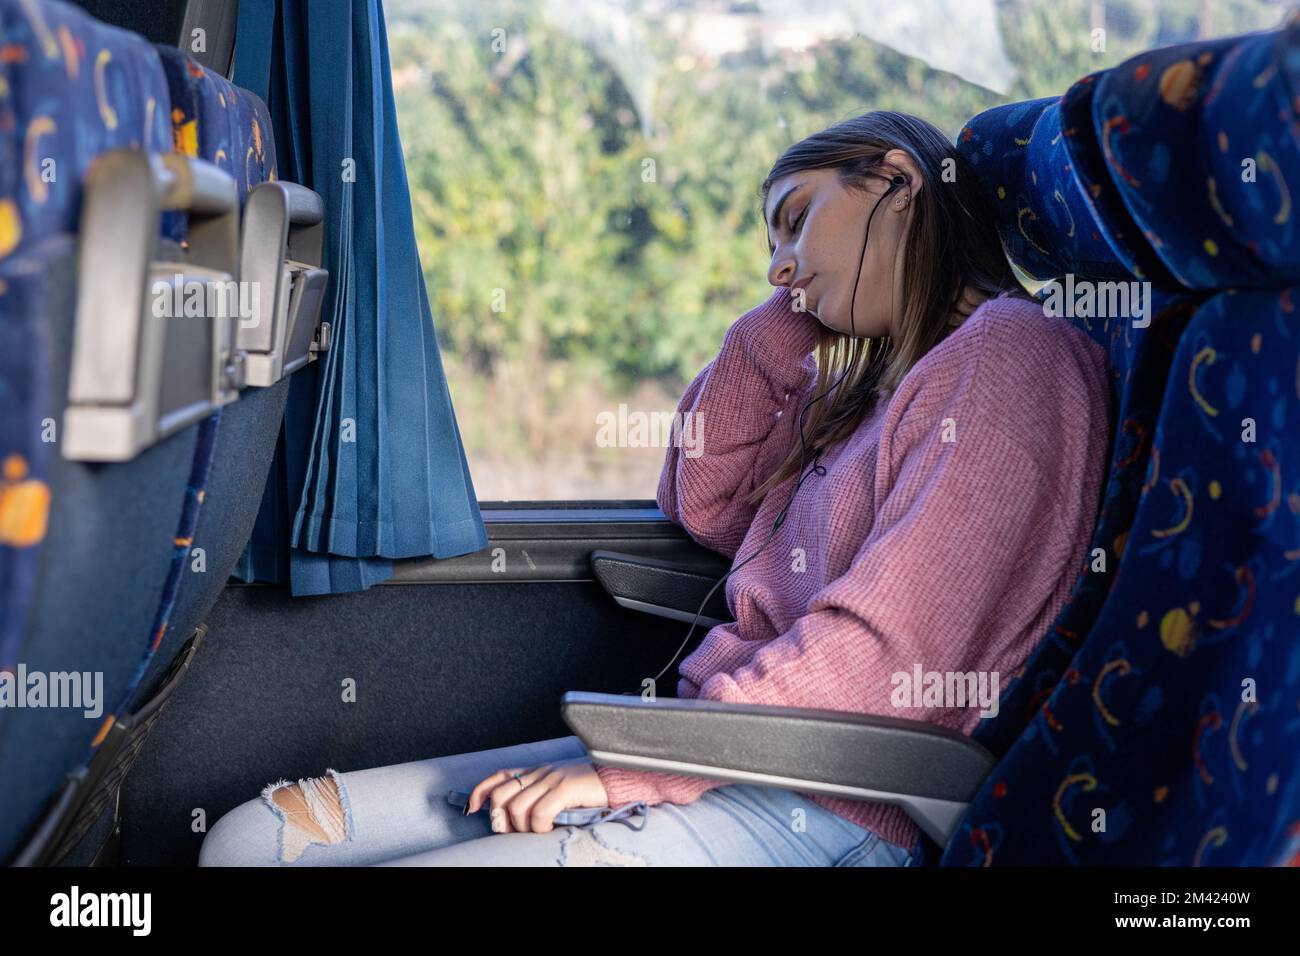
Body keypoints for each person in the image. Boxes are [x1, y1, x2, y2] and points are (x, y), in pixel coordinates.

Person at [198, 110, 1112, 867]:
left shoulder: (1009, 358)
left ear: (896, 178)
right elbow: (706, 499)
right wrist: (785, 314)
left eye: (795, 218)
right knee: (249, 844)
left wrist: (634, 775)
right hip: (709, 753)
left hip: (824, 804)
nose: (779, 260)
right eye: (771, 243)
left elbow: (884, 662)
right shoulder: (875, 390)